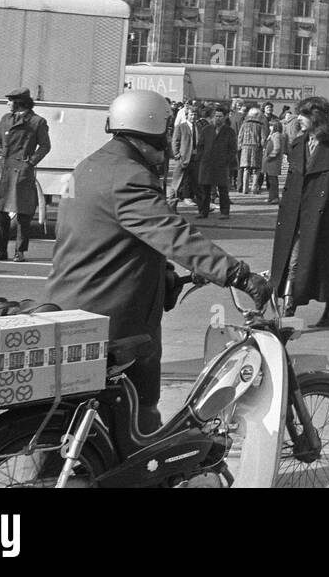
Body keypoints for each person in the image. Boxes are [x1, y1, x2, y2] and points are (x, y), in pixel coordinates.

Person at [47, 90, 268, 431]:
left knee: (80, 418)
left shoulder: (91, 165)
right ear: (153, 130)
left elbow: (106, 236)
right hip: (115, 319)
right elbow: (173, 234)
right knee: (139, 414)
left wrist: (162, 273)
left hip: (74, 304)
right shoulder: (129, 176)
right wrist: (238, 274)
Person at [269, 96, 329, 327]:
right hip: (295, 214)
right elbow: (292, 178)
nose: (298, 118)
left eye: (303, 114)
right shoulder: (297, 144)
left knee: (325, 264)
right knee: (293, 259)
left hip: (323, 217)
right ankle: (288, 308)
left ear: (316, 117)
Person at [0, 88, 52, 263]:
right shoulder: (5, 119)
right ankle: (0, 250)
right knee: (1, 212)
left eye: (10, 100)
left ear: (19, 102)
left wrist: (30, 162)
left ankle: (20, 252)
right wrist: (0, 156)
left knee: (23, 214)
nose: (7, 103)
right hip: (6, 169)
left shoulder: (37, 122)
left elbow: (45, 146)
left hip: (22, 171)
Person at [196, 106, 237, 219]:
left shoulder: (229, 131)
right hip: (207, 164)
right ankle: (203, 211)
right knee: (205, 189)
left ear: (224, 117)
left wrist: (226, 160)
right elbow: (200, 146)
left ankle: (224, 212)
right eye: (216, 116)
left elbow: (233, 149)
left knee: (223, 190)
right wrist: (201, 158)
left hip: (221, 165)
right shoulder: (206, 130)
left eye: (220, 116)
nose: (217, 119)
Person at [168, 101, 197, 212]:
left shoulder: (197, 127)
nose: (193, 117)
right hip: (183, 158)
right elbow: (175, 141)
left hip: (194, 158)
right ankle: (171, 206)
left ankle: (204, 207)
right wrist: (177, 155)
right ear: (186, 116)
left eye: (195, 115)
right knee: (176, 183)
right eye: (191, 115)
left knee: (196, 183)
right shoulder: (181, 127)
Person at [237, 103, 266, 194]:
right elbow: (263, 138)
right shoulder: (260, 125)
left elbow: (240, 136)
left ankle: (245, 188)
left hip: (245, 148)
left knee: (246, 169)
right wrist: (263, 147)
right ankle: (254, 188)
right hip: (256, 148)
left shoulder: (244, 124)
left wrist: (240, 146)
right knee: (256, 169)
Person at [262, 119, 285, 205]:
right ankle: (271, 197)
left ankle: (274, 197)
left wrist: (269, 157)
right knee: (271, 180)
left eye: (271, 126)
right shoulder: (275, 135)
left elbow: (277, 148)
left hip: (273, 161)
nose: (269, 127)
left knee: (273, 180)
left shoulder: (276, 136)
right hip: (273, 161)